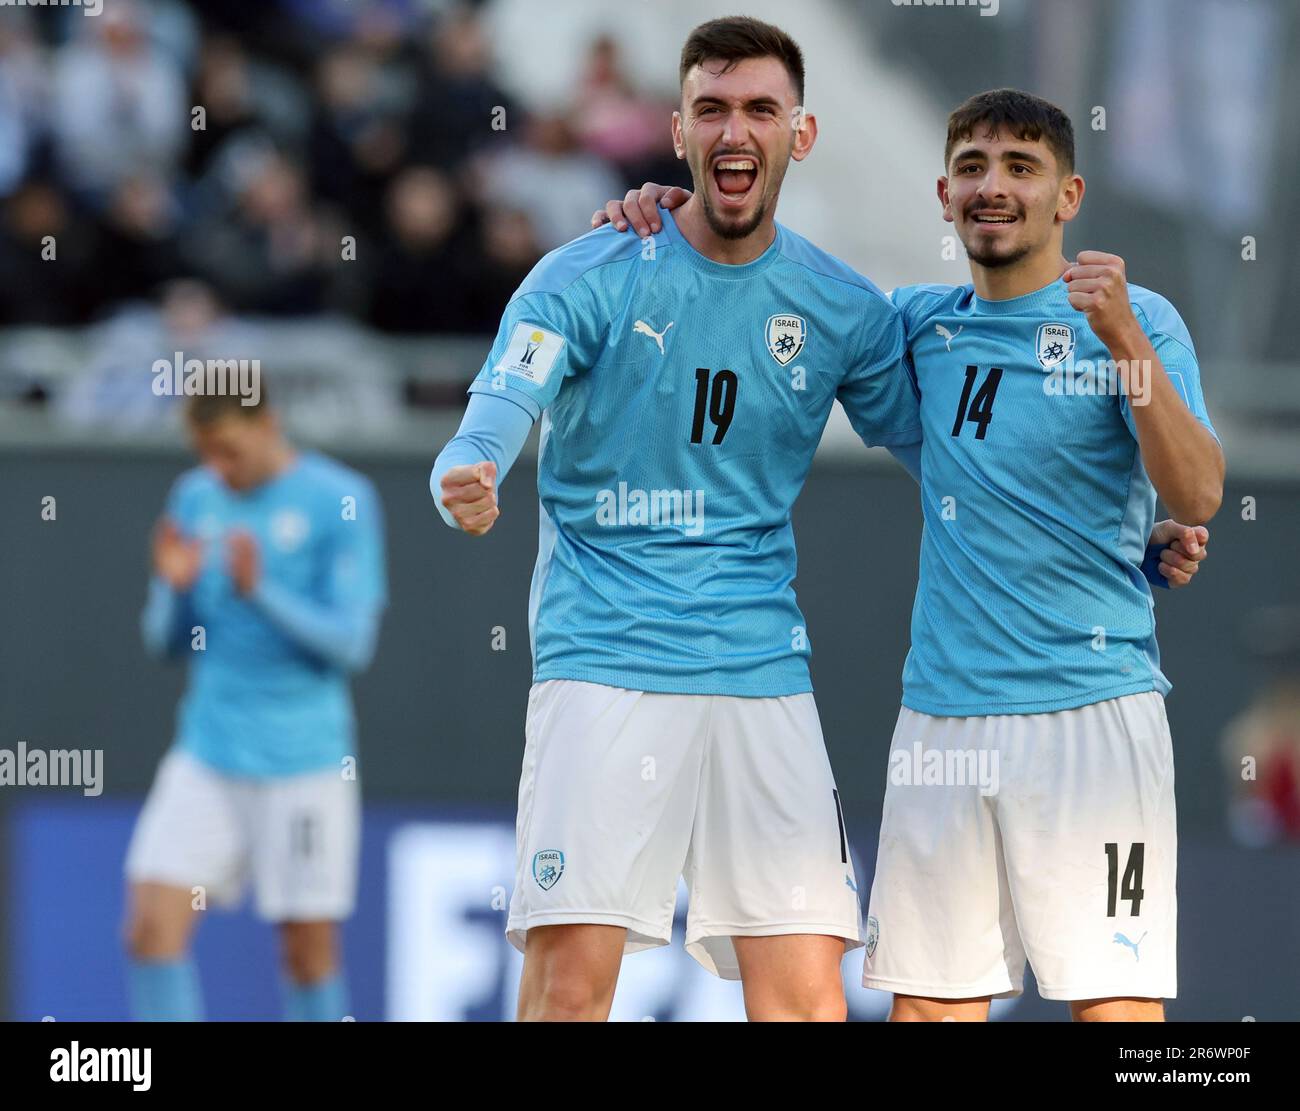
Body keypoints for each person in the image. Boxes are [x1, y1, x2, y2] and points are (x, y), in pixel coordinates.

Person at [597, 87, 1223, 1022]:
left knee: (1116, 1011)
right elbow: (774, 285)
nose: (993, 187)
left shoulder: (1138, 321)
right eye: (973, 167)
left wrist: (1124, 338)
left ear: (1069, 195)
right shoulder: (920, 326)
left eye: (1021, 168)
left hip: (1091, 720)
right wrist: (666, 209)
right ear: (943, 193)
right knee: (927, 1009)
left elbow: (1199, 492)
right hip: (942, 725)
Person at [431, 16, 923, 1022]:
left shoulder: (841, 307)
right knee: (572, 987)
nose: (734, 131)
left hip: (760, 670)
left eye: (758, 109)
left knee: (805, 997)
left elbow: (956, 460)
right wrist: (470, 465)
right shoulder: (593, 269)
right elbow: (500, 403)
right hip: (607, 661)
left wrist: (1116, 526)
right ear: (678, 131)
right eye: (711, 109)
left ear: (802, 133)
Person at [124, 385, 386, 1021]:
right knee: (151, 928)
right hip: (208, 752)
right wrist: (178, 588)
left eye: (230, 452)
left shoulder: (341, 500)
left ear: (268, 424)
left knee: (306, 951)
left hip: (305, 761)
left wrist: (259, 589)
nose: (219, 469)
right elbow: (162, 641)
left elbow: (352, 644)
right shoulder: (194, 496)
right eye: (206, 453)